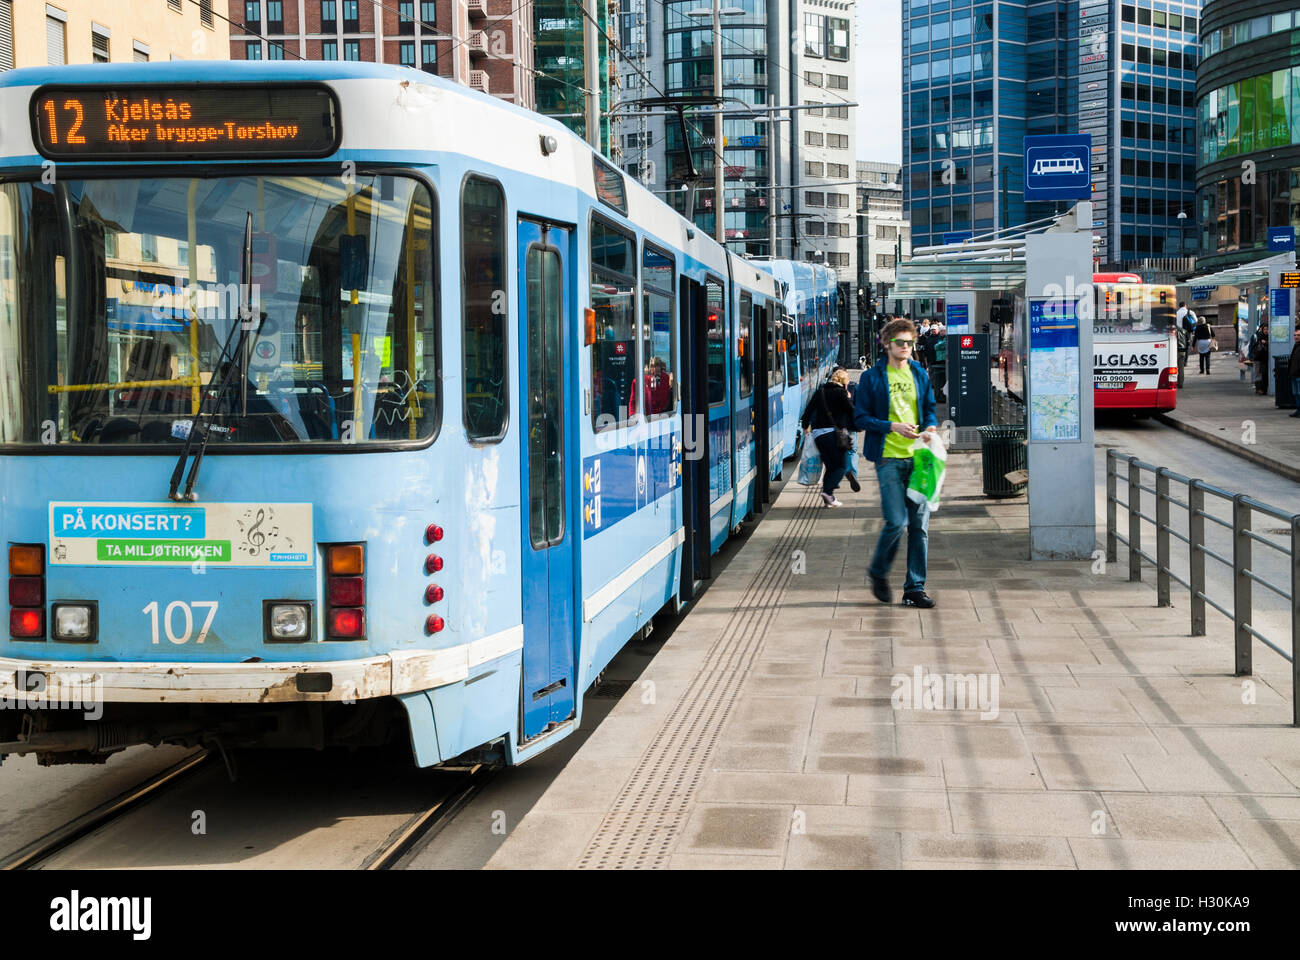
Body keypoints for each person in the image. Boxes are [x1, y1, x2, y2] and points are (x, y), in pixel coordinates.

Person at [854, 318, 938, 608]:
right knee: (896, 521)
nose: (905, 348)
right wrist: (891, 426)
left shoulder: (919, 373)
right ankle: (878, 572)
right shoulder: (872, 377)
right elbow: (860, 418)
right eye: (900, 342)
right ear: (887, 344)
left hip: (919, 459)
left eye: (909, 343)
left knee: (920, 526)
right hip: (888, 458)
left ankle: (914, 588)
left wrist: (930, 428)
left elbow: (929, 409)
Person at [802, 367, 856, 507]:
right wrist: (857, 426)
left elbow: (808, 410)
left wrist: (805, 426)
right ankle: (828, 493)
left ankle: (828, 497)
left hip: (819, 435)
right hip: (834, 435)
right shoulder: (841, 393)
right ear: (844, 383)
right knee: (840, 466)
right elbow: (851, 412)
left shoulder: (821, 391)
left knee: (830, 466)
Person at [1289, 326, 1300, 418]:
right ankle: (1298, 409)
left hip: (1299, 374)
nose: (1296, 337)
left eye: (1298, 335)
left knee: (1299, 393)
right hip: (1294, 374)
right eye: (1295, 335)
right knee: (1296, 393)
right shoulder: (1296, 346)